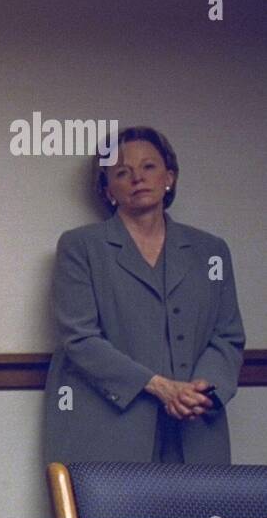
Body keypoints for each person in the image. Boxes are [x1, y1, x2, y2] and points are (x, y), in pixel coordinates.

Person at [44, 127, 244, 464]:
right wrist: (160, 387)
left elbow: (227, 335)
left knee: (199, 515)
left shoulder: (211, 251)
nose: (137, 177)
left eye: (149, 167)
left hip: (194, 427)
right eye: (122, 172)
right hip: (107, 426)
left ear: (169, 177)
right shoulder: (80, 247)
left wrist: (200, 391)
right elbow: (79, 338)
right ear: (107, 189)